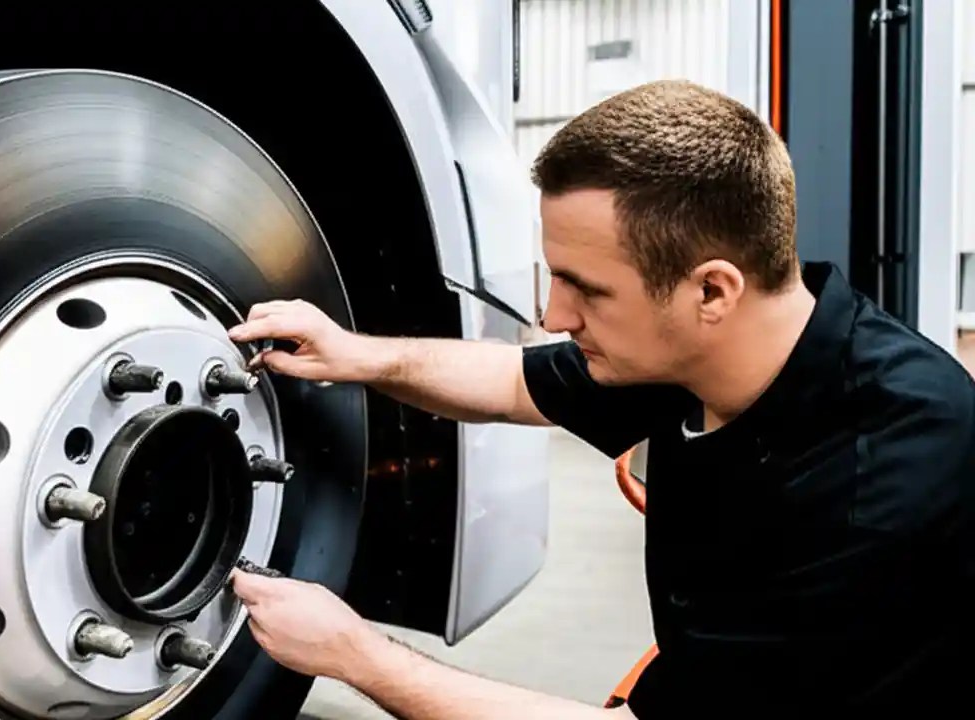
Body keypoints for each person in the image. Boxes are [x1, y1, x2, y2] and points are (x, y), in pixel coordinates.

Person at [225, 79, 974, 718]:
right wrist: (355, 354)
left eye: (586, 288)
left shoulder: (882, 479)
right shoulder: (699, 349)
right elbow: (514, 381)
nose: (553, 317)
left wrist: (356, 656)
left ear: (712, 290)